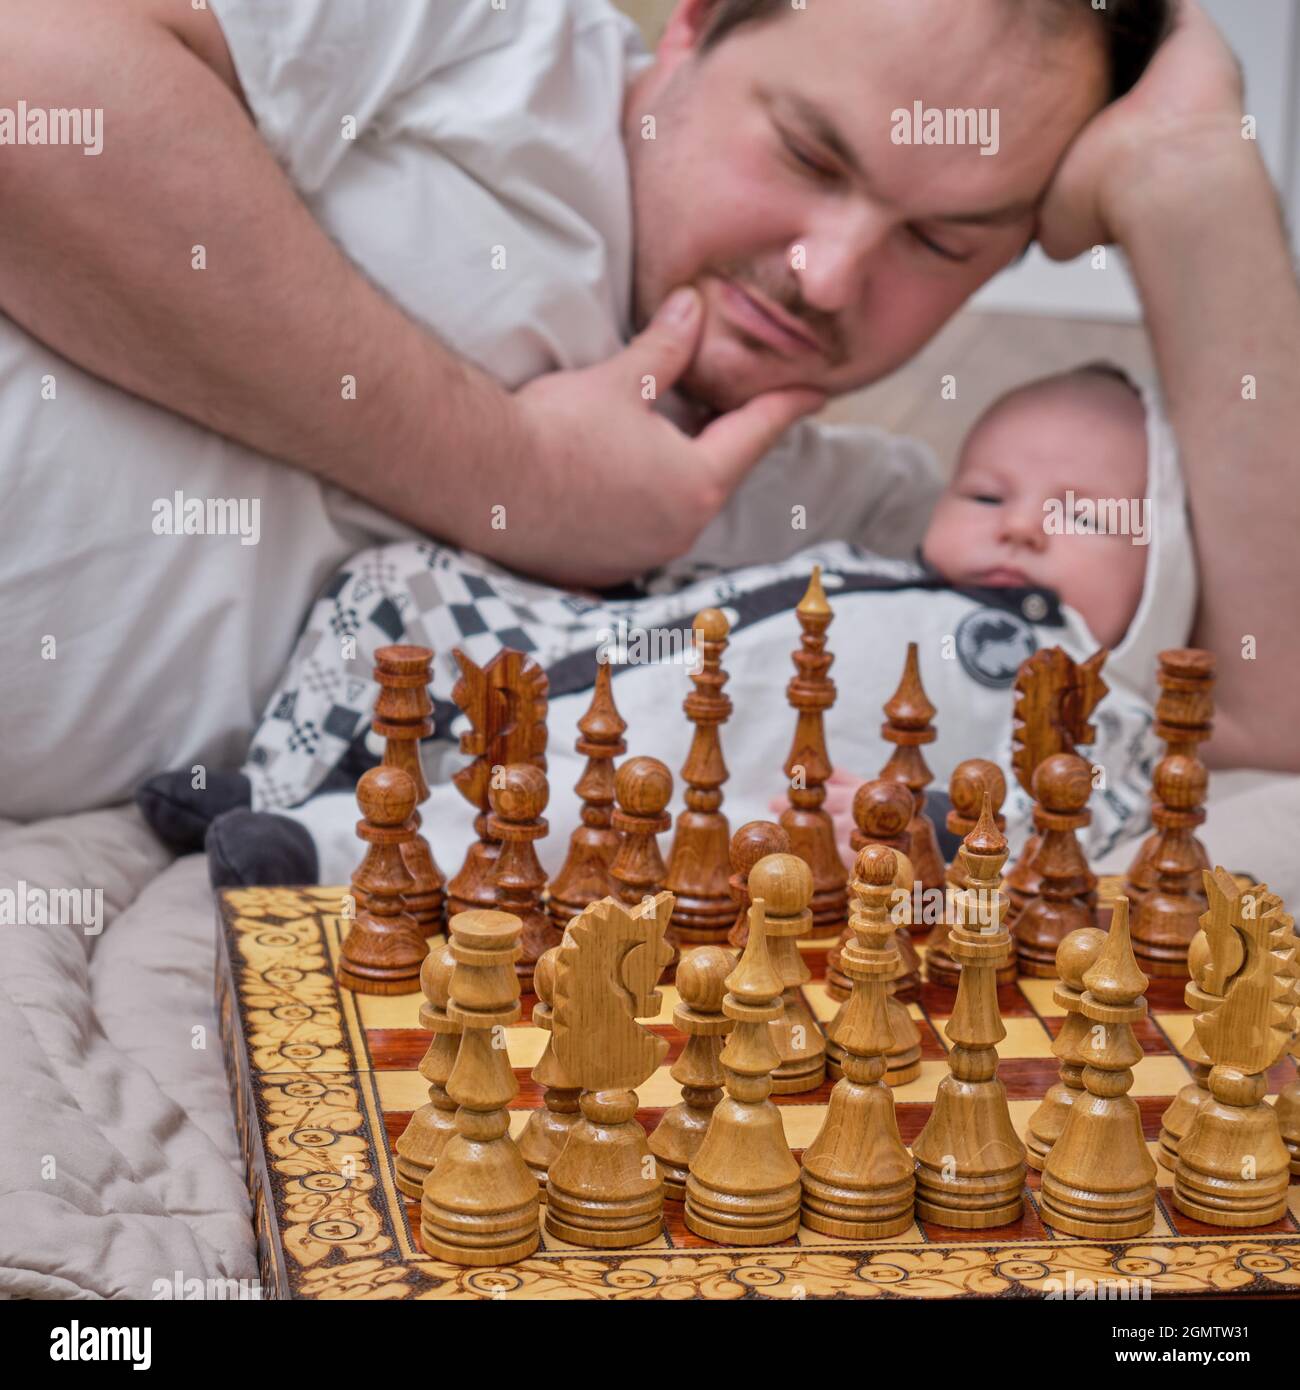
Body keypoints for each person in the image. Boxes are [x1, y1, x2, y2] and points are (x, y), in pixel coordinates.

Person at [1, 0, 1296, 826]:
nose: (831, 275)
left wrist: (1196, 181)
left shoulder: (838, 527)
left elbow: (1258, 708)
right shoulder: (485, 39)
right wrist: (514, 474)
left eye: (945, 242)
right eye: (807, 154)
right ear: (692, 29)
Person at [158, 360, 1185, 889]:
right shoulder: (882, 575)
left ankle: (313, 846)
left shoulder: (1091, 701)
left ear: (1166, 573)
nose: (1019, 525)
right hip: (598, 645)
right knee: (398, 582)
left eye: (1087, 514)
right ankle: (281, 767)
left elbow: (1078, 840)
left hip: (685, 772)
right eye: (985, 492)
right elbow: (747, 597)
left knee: (554, 816)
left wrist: (923, 831)